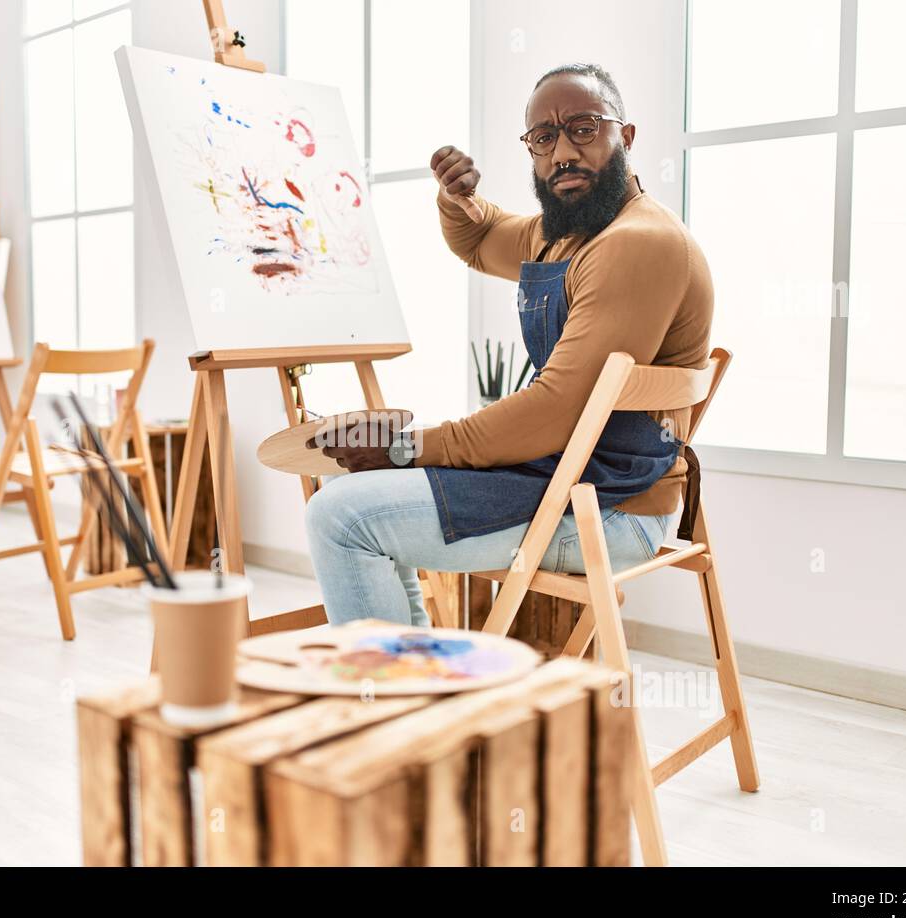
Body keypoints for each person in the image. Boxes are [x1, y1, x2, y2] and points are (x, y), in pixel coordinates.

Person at [305, 63, 713, 626]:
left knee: (340, 517)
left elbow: (555, 409)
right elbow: (478, 239)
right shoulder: (566, 232)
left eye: (584, 127)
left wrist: (404, 447)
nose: (563, 152)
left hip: (610, 508)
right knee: (347, 485)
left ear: (627, 136)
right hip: (567, 477)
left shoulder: (637, 244)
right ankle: (414, 683)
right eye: (543, 138)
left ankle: (392, 699)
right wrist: (457, 198)